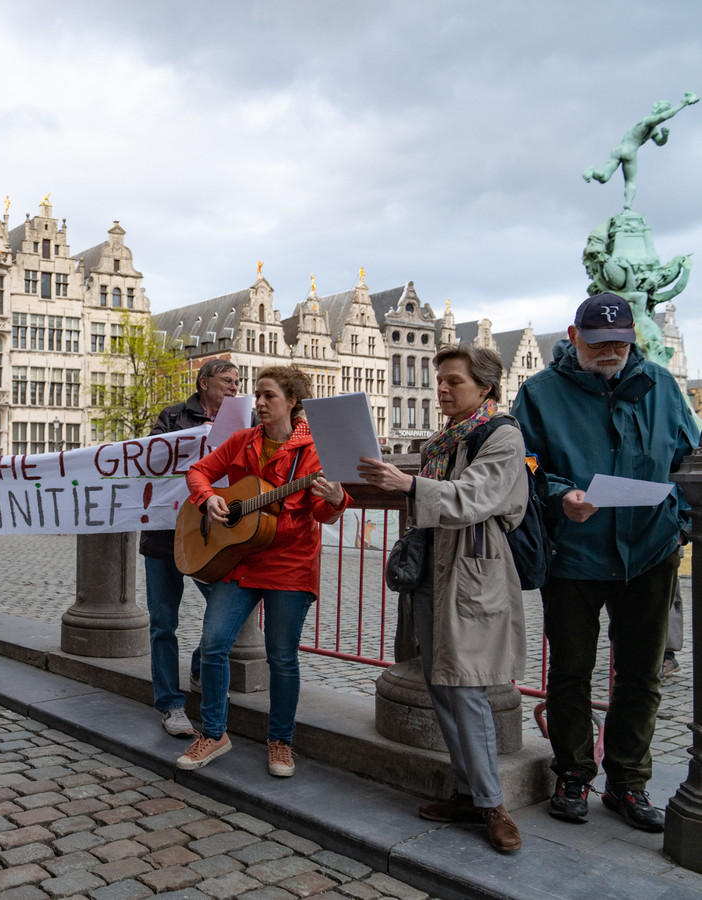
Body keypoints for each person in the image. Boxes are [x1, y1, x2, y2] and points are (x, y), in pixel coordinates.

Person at [512, 294, 699, 832]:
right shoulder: (540, 393)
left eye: (620, 343)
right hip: (575, 552)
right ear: (574, 337)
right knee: (571, 670)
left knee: (641, 674)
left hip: (651, 549)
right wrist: (560, 495)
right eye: (599, 344)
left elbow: (690, 458)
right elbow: (523, 464)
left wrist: (680, 515)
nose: (611, 352)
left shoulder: (662, 385)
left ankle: (628, 783)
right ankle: (573, 772)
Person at [357, 345, 526, 853]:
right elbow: (424, 495)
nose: (443, 389)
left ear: (486, 388)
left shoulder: (502, 436)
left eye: (454, 381)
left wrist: (407, 483)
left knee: (467, 688)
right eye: (441, 381)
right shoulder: (442, 440)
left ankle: (493, 804)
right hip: (432, 571)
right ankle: (467, 792)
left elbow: (474, 497)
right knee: (441, 686)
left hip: (471, 571)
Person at [180, 366, 348, 775]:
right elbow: (198, 472)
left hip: (291, 565)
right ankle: (215, 733)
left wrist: (337, 497)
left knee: (282, 658)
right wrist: (207, 501)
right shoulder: (242, 441)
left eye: (268, 396)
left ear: (292, 401)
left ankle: (280, 742)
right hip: (240, 561)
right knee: (214, 643)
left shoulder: (315, 451)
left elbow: (323, 513)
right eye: (257, 395)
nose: (258, 403)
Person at [142, 359, 242, 738]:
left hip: (210, 537)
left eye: (237, 381)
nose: (234, 386)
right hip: (165, 537)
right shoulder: (172, 417)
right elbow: (150, 459)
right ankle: (170, 703)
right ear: (204, 384)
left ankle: (200, 668)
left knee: (228, 609)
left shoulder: (243, 421)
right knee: (163, 623)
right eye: (226, 380)